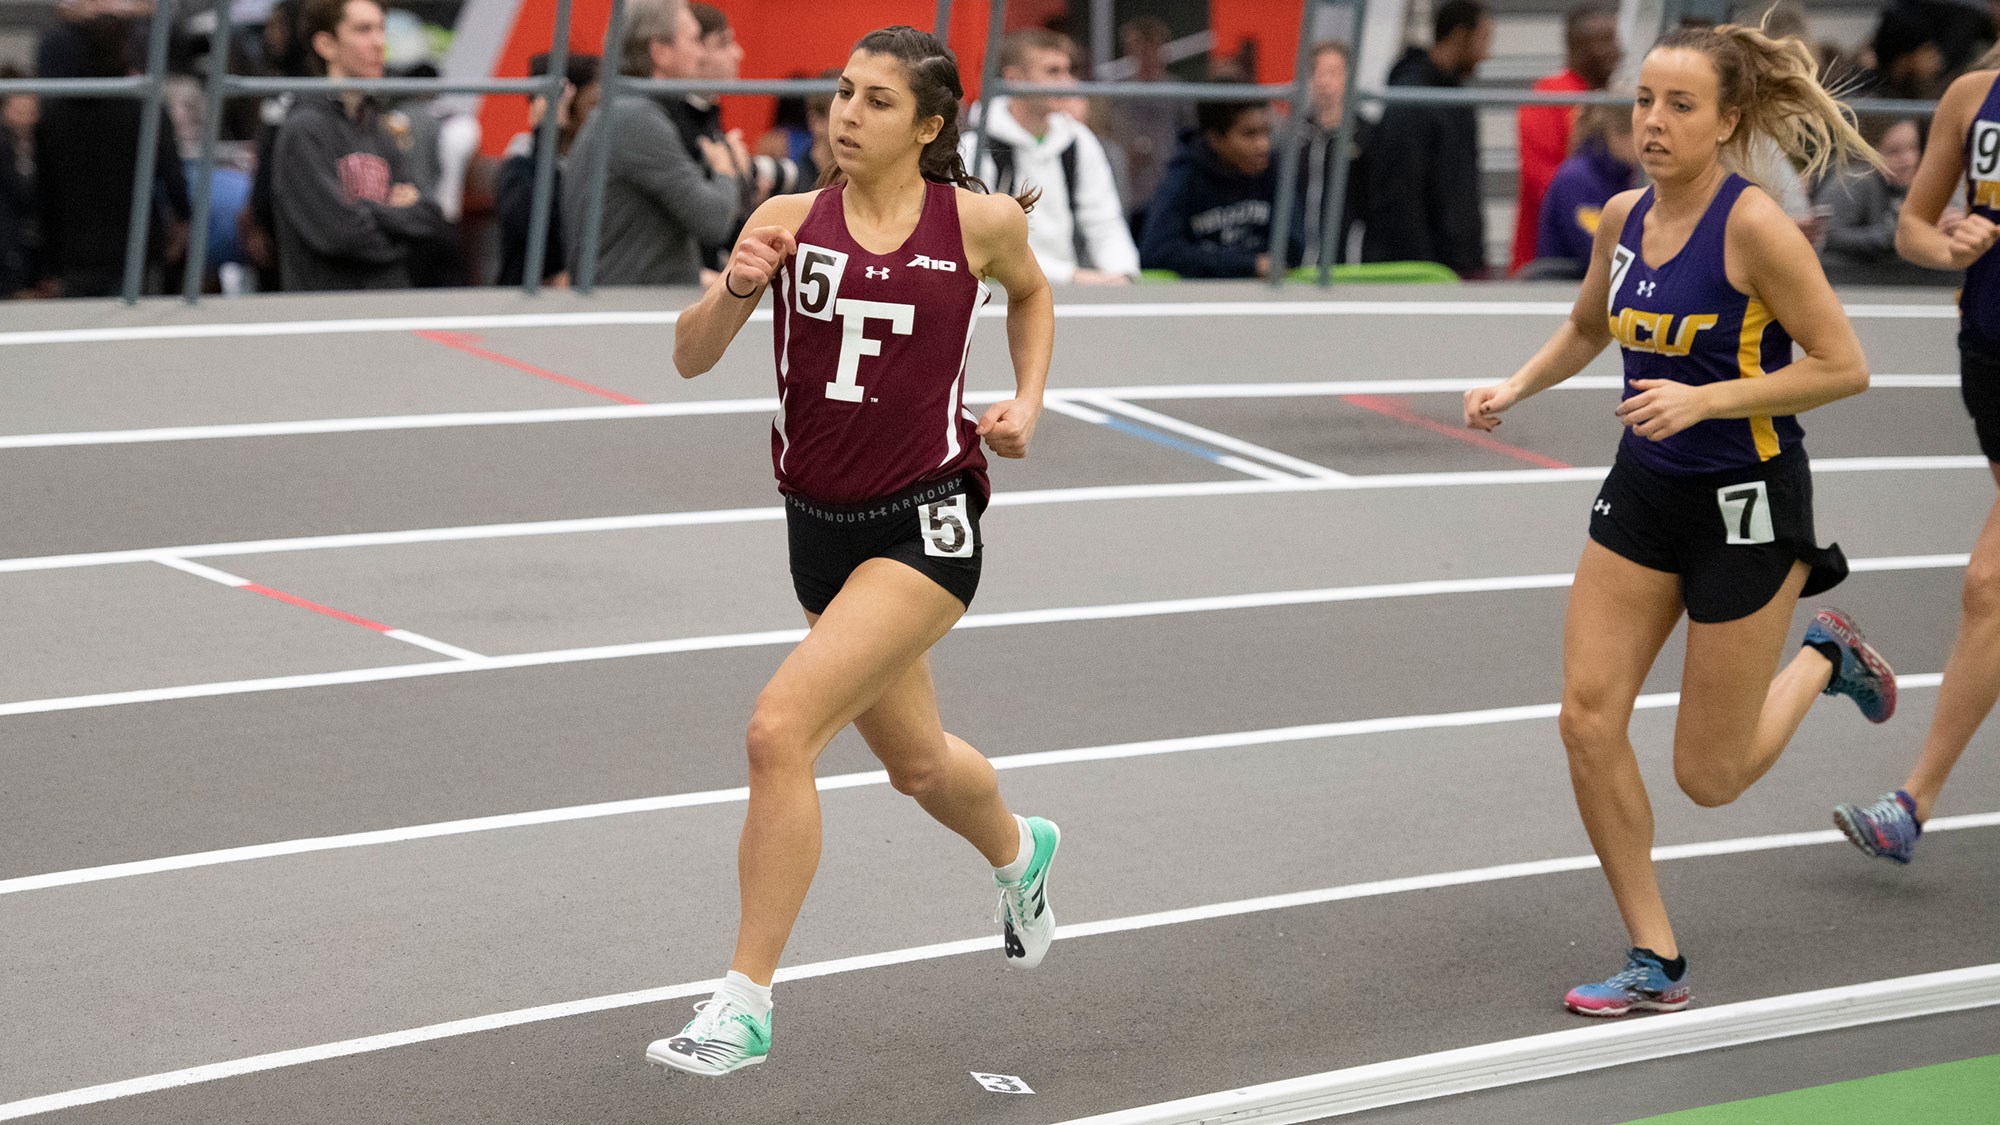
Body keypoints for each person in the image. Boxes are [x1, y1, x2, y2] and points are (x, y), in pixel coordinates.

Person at [648, 24, 1059, 1077]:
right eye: (839, 92)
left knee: (777, 731)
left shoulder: (974, 223)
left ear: (927, 126)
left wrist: (1025, 402)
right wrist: (736, 286)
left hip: (928, 520)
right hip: (817, 534)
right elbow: (690, 359)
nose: (845, 112)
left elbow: (1031, 293)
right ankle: (1021, 851)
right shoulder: (784, 221)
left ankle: (742, 1003)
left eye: (877, 100)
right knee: (918, 766)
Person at [1463, 22, 1895, 1018]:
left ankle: (1824, 656)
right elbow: (1585, 327)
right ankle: (1652, 956)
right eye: (1643, 102)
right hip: (1644, 492)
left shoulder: (1755, 230)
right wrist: (1515, 385)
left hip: (1744, 503)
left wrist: (1702, 400)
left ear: (1727, 120)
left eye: (1679, 106)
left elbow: (1842, 366)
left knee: (1709, 776)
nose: (1651, 123)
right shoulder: (1619, 215)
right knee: (1583, 718)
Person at [1832, 48, 2000, 863]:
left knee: (1989, 583)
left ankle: (1914, 800)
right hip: (1989, 356)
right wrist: (1953, 250)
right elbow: (1912, 228)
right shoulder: (1972, 98)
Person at [268, 0, 451, 291]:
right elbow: (339, 232)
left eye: (381, 29)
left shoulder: (379, 126)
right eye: (363, 30)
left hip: (388, 304)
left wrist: (365, 211)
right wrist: (395, 222)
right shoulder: (304, 129)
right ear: (326, 45)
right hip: (329, 314)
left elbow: (429, 217)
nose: (379, 42)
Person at [561, 0, 738, 286]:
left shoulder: (625, 111)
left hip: (632, 301)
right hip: (632, 309)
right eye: (693, 40)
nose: (700, 54)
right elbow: (714, 221)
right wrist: (725, 168)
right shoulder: (635, 119)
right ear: (660, 52)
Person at [961, 28, 1139, 285]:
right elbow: (983, 243)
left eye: (1069, 71)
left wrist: (1124, 275)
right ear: (1014, 78)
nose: (1068, 83)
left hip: (1065, 293)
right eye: (1052, 71)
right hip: (994, 294)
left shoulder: (1078, 140)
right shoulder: (975, 147)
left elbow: (1104, 220)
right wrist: (1073, 276)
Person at [33, 13, 190, 297]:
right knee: (139, 334)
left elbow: (44, 193)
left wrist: (49, 262)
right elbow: (173, 178)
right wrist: (183, 219)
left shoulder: (55, 115)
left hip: (76, 253)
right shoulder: (145, 110)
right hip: (136, 247)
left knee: (84, 336)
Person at [1363, 0, 1494, 277]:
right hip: (1423, 273)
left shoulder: (1456, 98)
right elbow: (1399, 195)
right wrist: (1424, 270)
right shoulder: (1412, 99)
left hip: (1455, 267)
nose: (1486, 55)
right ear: (1460, 35)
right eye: (1483, 39)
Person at [1138, 97, 1302, 279]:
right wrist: (1248, 265)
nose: (1263, 145)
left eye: (1266, 133)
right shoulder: (1184, 176)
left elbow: (1293, 248)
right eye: (1249, 134)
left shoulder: (1273, 170)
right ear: (1215, 138)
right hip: (1202, 299)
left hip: (1264, 298)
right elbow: (1157, 252)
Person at [1512, 3, 1621, 275]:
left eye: (1614, 41)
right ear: (1575, 46)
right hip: (1552, 259)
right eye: (1603, 42)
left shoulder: (1611, 99)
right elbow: (1544, 182)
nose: (1615, 51)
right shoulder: (1550, 96)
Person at [494, 51, 599, 287]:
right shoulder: (520, 164)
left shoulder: (600, 162)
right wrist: (545, 136)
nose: (602, 116)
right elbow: (535, 233)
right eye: (593, 105)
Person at [1817, 118, 1958, 286]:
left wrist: (1955, 230)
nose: (1908, 159)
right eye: (1893, 151)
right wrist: (1901, 233)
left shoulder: (1936, 184)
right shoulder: (1852, 183)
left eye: (1915, 149)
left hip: (1917, 289)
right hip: (1854, 284)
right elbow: (1828, 236)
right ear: (1872, 152)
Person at [1527, 102, 1637, 277]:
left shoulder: (1622, 175)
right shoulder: (1576, 180)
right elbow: (1600, 249)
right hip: (1567, 292)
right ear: (1617, 134)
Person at [1295, 40, 1367, 267]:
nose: (1324, 81)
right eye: (1317, 72)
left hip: (1351, 266)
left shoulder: (1368, 136)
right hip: (1298, 267)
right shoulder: (1292, 137)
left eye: (1333, 73)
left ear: (1349, 78)